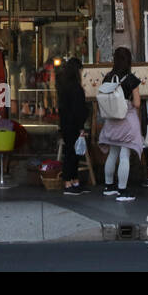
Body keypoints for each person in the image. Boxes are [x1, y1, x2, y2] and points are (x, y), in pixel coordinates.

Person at [98, 46, 143, 201]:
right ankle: (122, 191)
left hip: (111, 121)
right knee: (124, 155)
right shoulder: (131, 79)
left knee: (112, 153)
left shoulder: (107, 77)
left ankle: (109, 186)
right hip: (126, 121)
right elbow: (136, 103)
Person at [56, 57, 88, 195]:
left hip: (66, 124)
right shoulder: (76, 88)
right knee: (73, 154)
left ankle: (73, 181)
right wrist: (81, 126)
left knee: (70, 153)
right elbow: (79, 109)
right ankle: (69, 182)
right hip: (74, 125)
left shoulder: (64, 87)